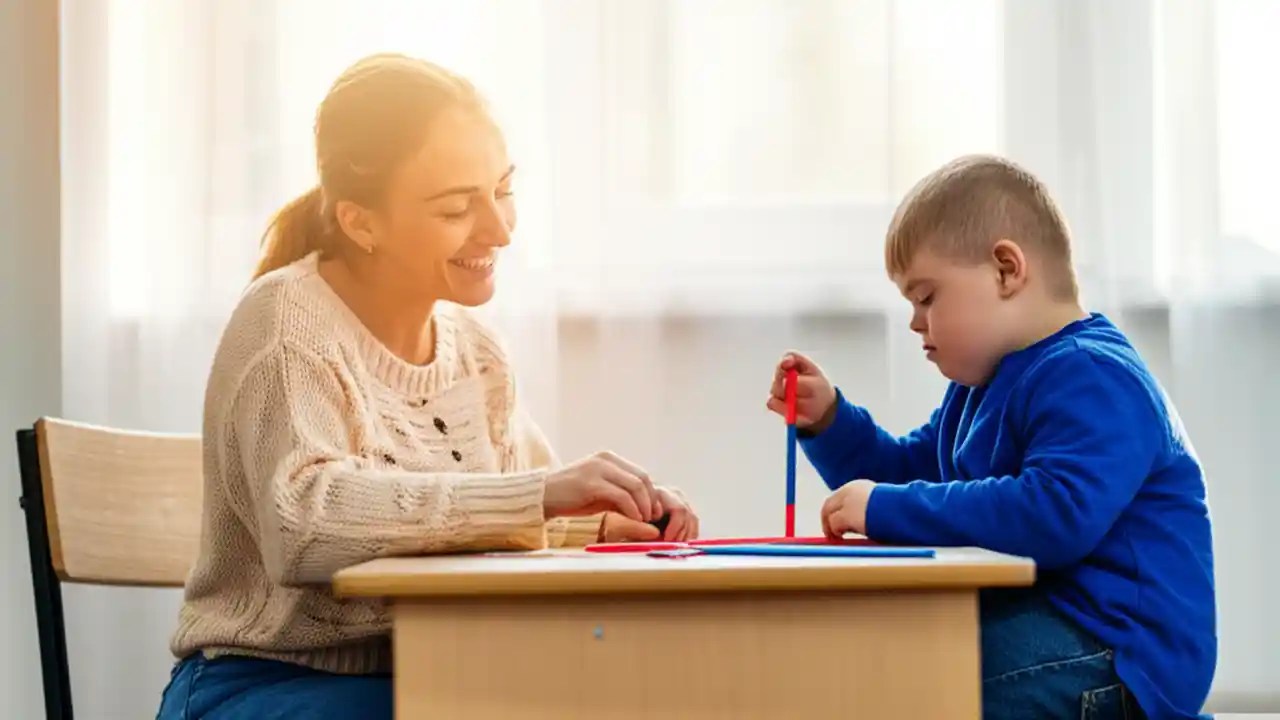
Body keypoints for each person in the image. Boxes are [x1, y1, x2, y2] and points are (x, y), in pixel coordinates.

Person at [156, 53, 698, 720]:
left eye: (503, 190)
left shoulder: (477, 353)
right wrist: (540, 495)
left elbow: (510, 520)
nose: (500, 229)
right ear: (361, 222)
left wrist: (605, 524)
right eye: (457, 207)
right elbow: (301, 525)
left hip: (433, 675)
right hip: (261, 684)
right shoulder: (285, 325)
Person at [766, 155, 1214, 719]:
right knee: (888, 656)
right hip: (1051, 627)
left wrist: (883, 507)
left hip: (1118, 655)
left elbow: (1053, 513)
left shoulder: (1093, 375)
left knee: (920, 679)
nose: (914, 322)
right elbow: (911, 480)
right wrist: (831, 422)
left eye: (926, 297)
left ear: (1006, 270)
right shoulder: (980, 389)